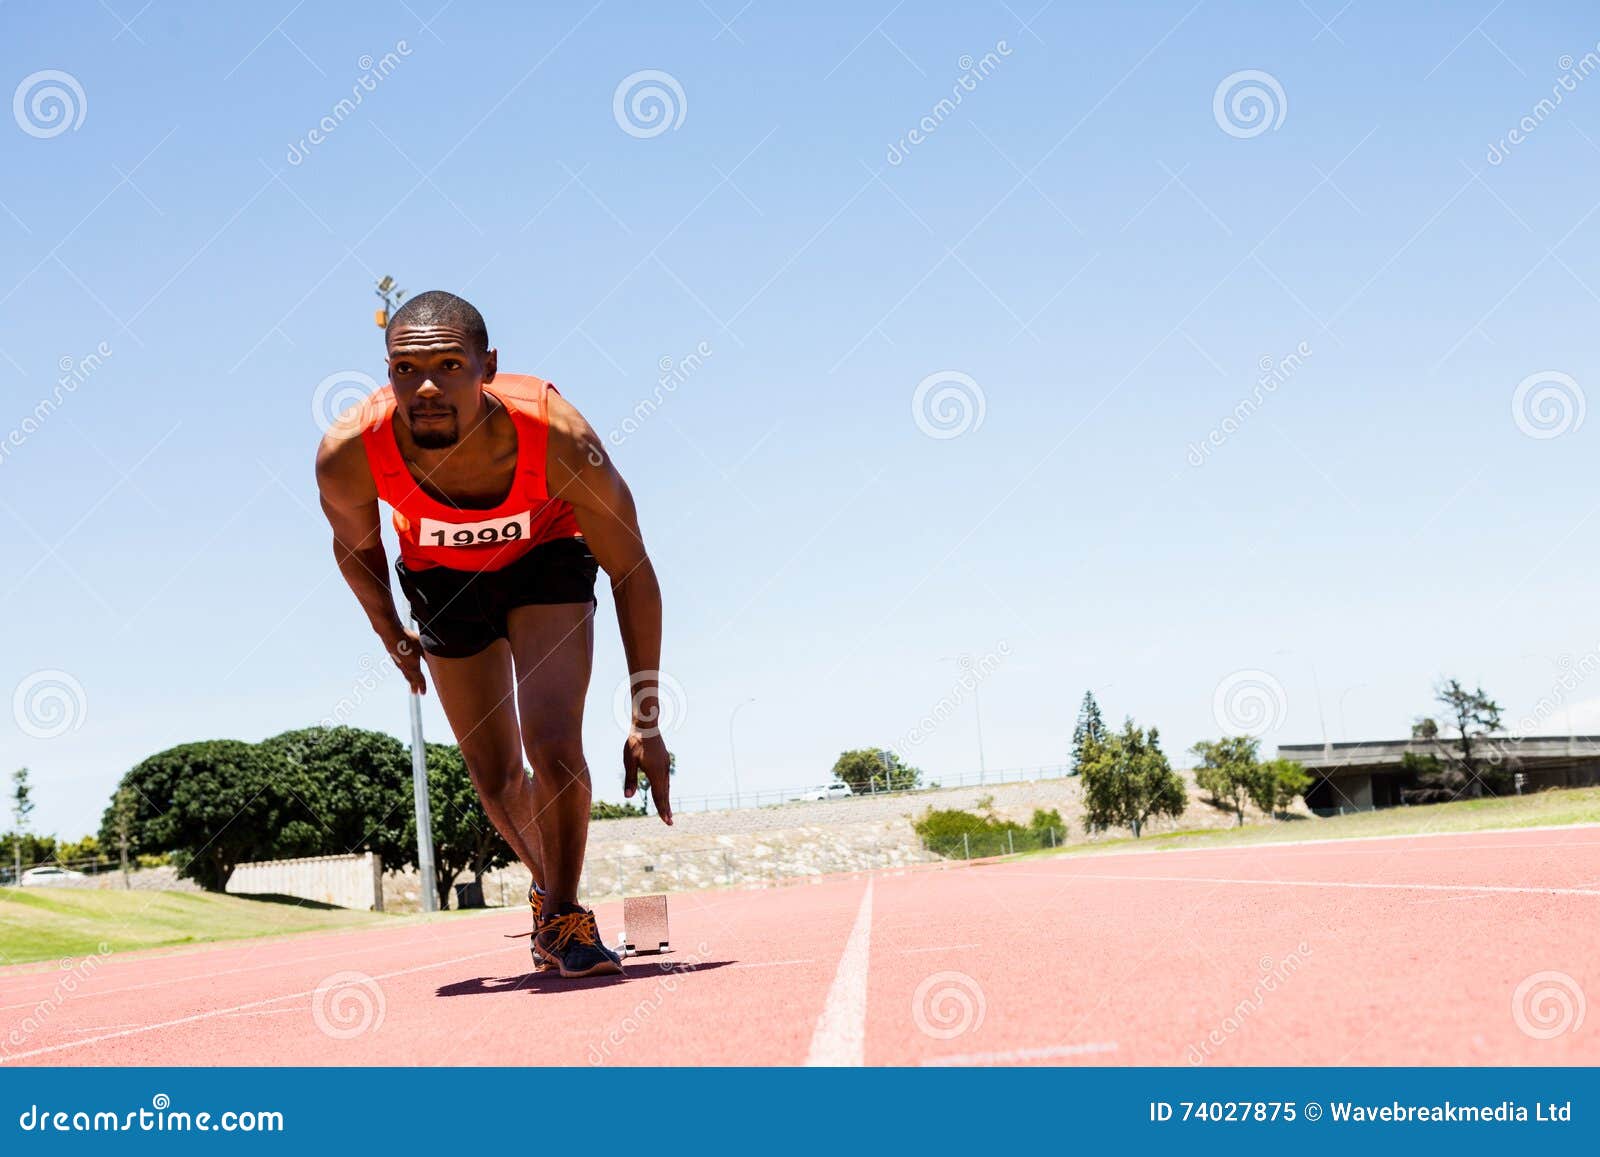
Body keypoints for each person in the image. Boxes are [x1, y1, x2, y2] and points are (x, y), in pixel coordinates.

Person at [315, 290, 671, 978]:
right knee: (496, 774)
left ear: (487, 367)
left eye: (449, 365)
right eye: (405, 369)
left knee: (554, 742)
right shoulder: (348, 451)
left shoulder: (559, 436)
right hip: (443, 580)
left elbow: (630, 568)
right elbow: (353, 546)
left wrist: (646, 720)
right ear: (386, 372)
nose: (425, 387)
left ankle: (564, 918)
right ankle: (553, 893)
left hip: (545, 554)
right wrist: (391, 631)